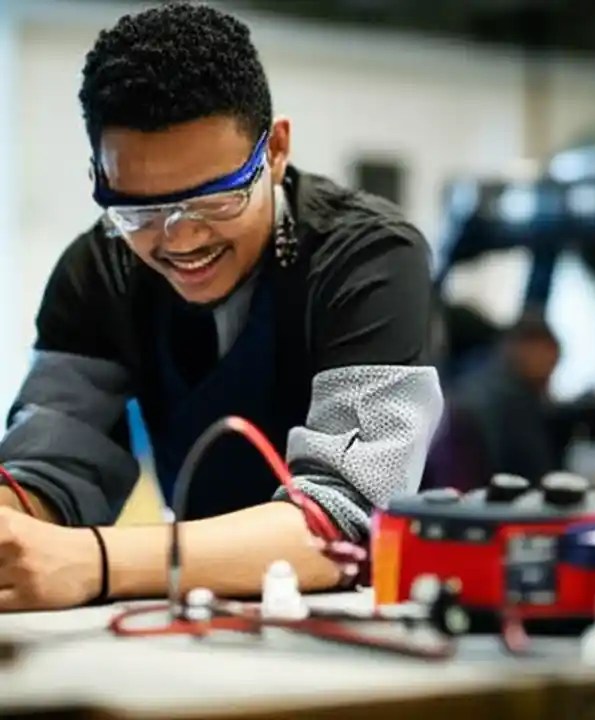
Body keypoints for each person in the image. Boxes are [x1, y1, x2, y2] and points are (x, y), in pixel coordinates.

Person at [0, 2, 441, 610]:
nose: (179, 240)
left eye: (215, 200)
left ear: (276, 150)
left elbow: (346, 522)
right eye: (138, 212)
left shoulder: (367, 257)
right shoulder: (97, 270)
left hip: (366, 621)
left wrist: (95, 561)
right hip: (194, 607)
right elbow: (53, 466)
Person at [423, 315, 561, 492]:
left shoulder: (471, 385)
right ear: (529, 348)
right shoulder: (512, 403)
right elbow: (539, 480)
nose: (550, 375)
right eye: (551, 360)